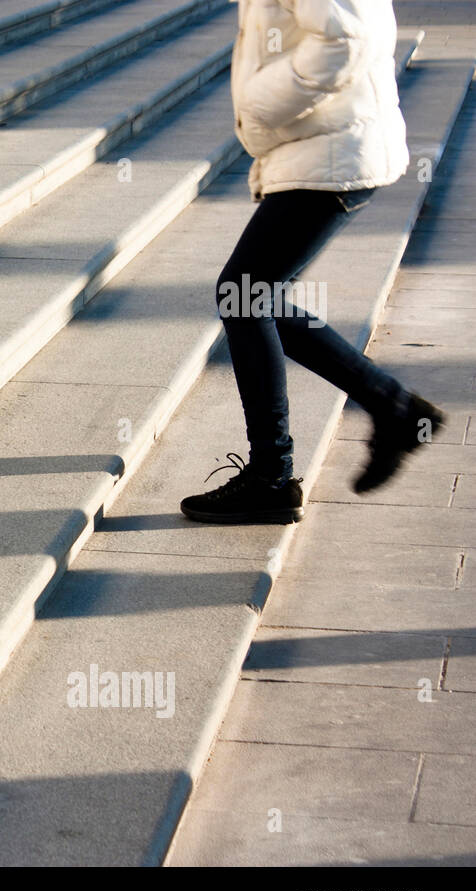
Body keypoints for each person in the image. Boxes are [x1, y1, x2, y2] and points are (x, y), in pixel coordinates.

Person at [180, 0, 444, 525]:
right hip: (332, 145)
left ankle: (271, 476)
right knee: (257, 297)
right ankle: (392, 408)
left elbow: (345, 37)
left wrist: (261, 102)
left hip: (333, 150)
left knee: (244, 295)